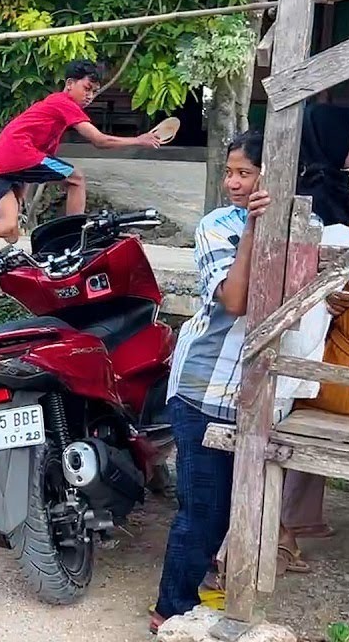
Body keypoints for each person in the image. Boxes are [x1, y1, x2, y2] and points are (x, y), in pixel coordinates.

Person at [152, 130, 270, 634]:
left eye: (245, 173)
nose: (233, 184)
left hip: (257, 394)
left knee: (230, 511)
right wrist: (253, 231)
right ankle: (170, 612)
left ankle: (193, 595)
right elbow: (236, 301)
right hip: (205, 389)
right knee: (204, 510)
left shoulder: (304, 225)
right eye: (230, 172)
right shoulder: (219, 225)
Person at [276, 103, 349, 572]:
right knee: (306, 395)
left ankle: (300, 518)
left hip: (332, 336)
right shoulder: (319, 198)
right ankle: (288, 523)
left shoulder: (335, 190)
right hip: (312, 335)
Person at [0, 60, 164, 252]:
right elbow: (100, 141)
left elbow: (34, 168)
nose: (90, 96)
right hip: (17, 154)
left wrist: (21, 192)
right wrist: (139, 140)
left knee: (10, 229)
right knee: (76, 178)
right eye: (86, 88)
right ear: (69, 84)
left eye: (94, 91)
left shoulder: (53, 115)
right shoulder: (63, 103)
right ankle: (76, 236)